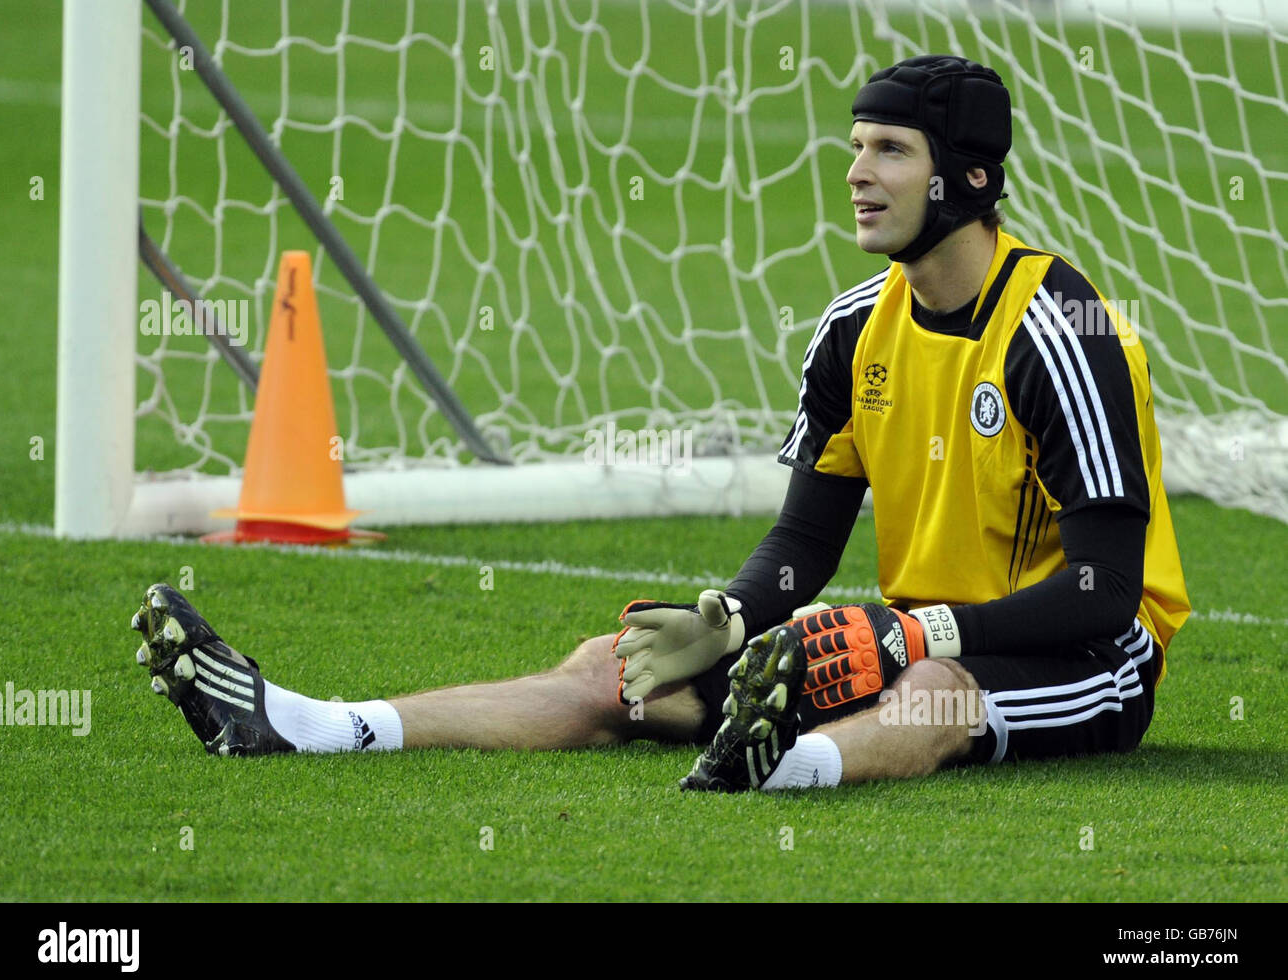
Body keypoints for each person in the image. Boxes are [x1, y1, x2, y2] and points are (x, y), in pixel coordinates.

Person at [132, 55, 1189, 794]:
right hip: (914, 630)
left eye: (890, 151)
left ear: (967, 176)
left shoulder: (1061, 330)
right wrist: (728, 618)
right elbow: (808, 539)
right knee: (619, 667)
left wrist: (922, 630)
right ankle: (314, 725)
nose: (858, 173)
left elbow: (1099, 585)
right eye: (856, 145)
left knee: (934, 695)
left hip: (1083, 657)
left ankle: (779, 763)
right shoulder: (852, 329)